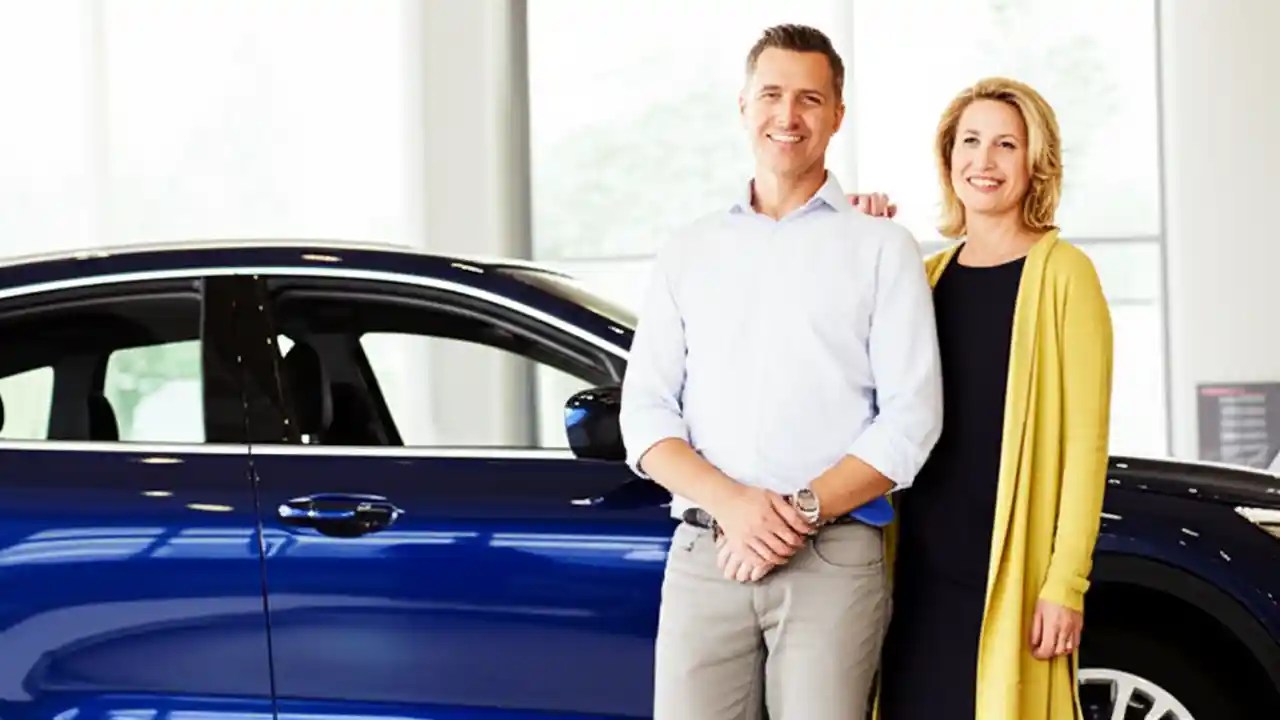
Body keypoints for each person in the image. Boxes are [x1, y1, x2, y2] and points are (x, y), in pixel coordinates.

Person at [619, 23, 943, 720]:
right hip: (707, 554)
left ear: (837, 115)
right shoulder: (689, 250)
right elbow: (645, 414)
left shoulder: (882, 248)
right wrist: (736, 508)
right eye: (771, 95)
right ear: (743, 106)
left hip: (832, 558)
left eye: (809, 99)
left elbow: (913, 417)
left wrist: (795, 514)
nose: (787, 116)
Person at [851, 77, 1114, 719]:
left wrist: (1065, 584)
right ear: (948, 158)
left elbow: (1087, 448)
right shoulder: (925, 277)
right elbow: (846, 386)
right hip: (917, 563)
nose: (984, 161)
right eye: (970, 141)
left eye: (1006, 144)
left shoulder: (1065, 275)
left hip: (1010, 566)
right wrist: (857, 247)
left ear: (1035, 163)